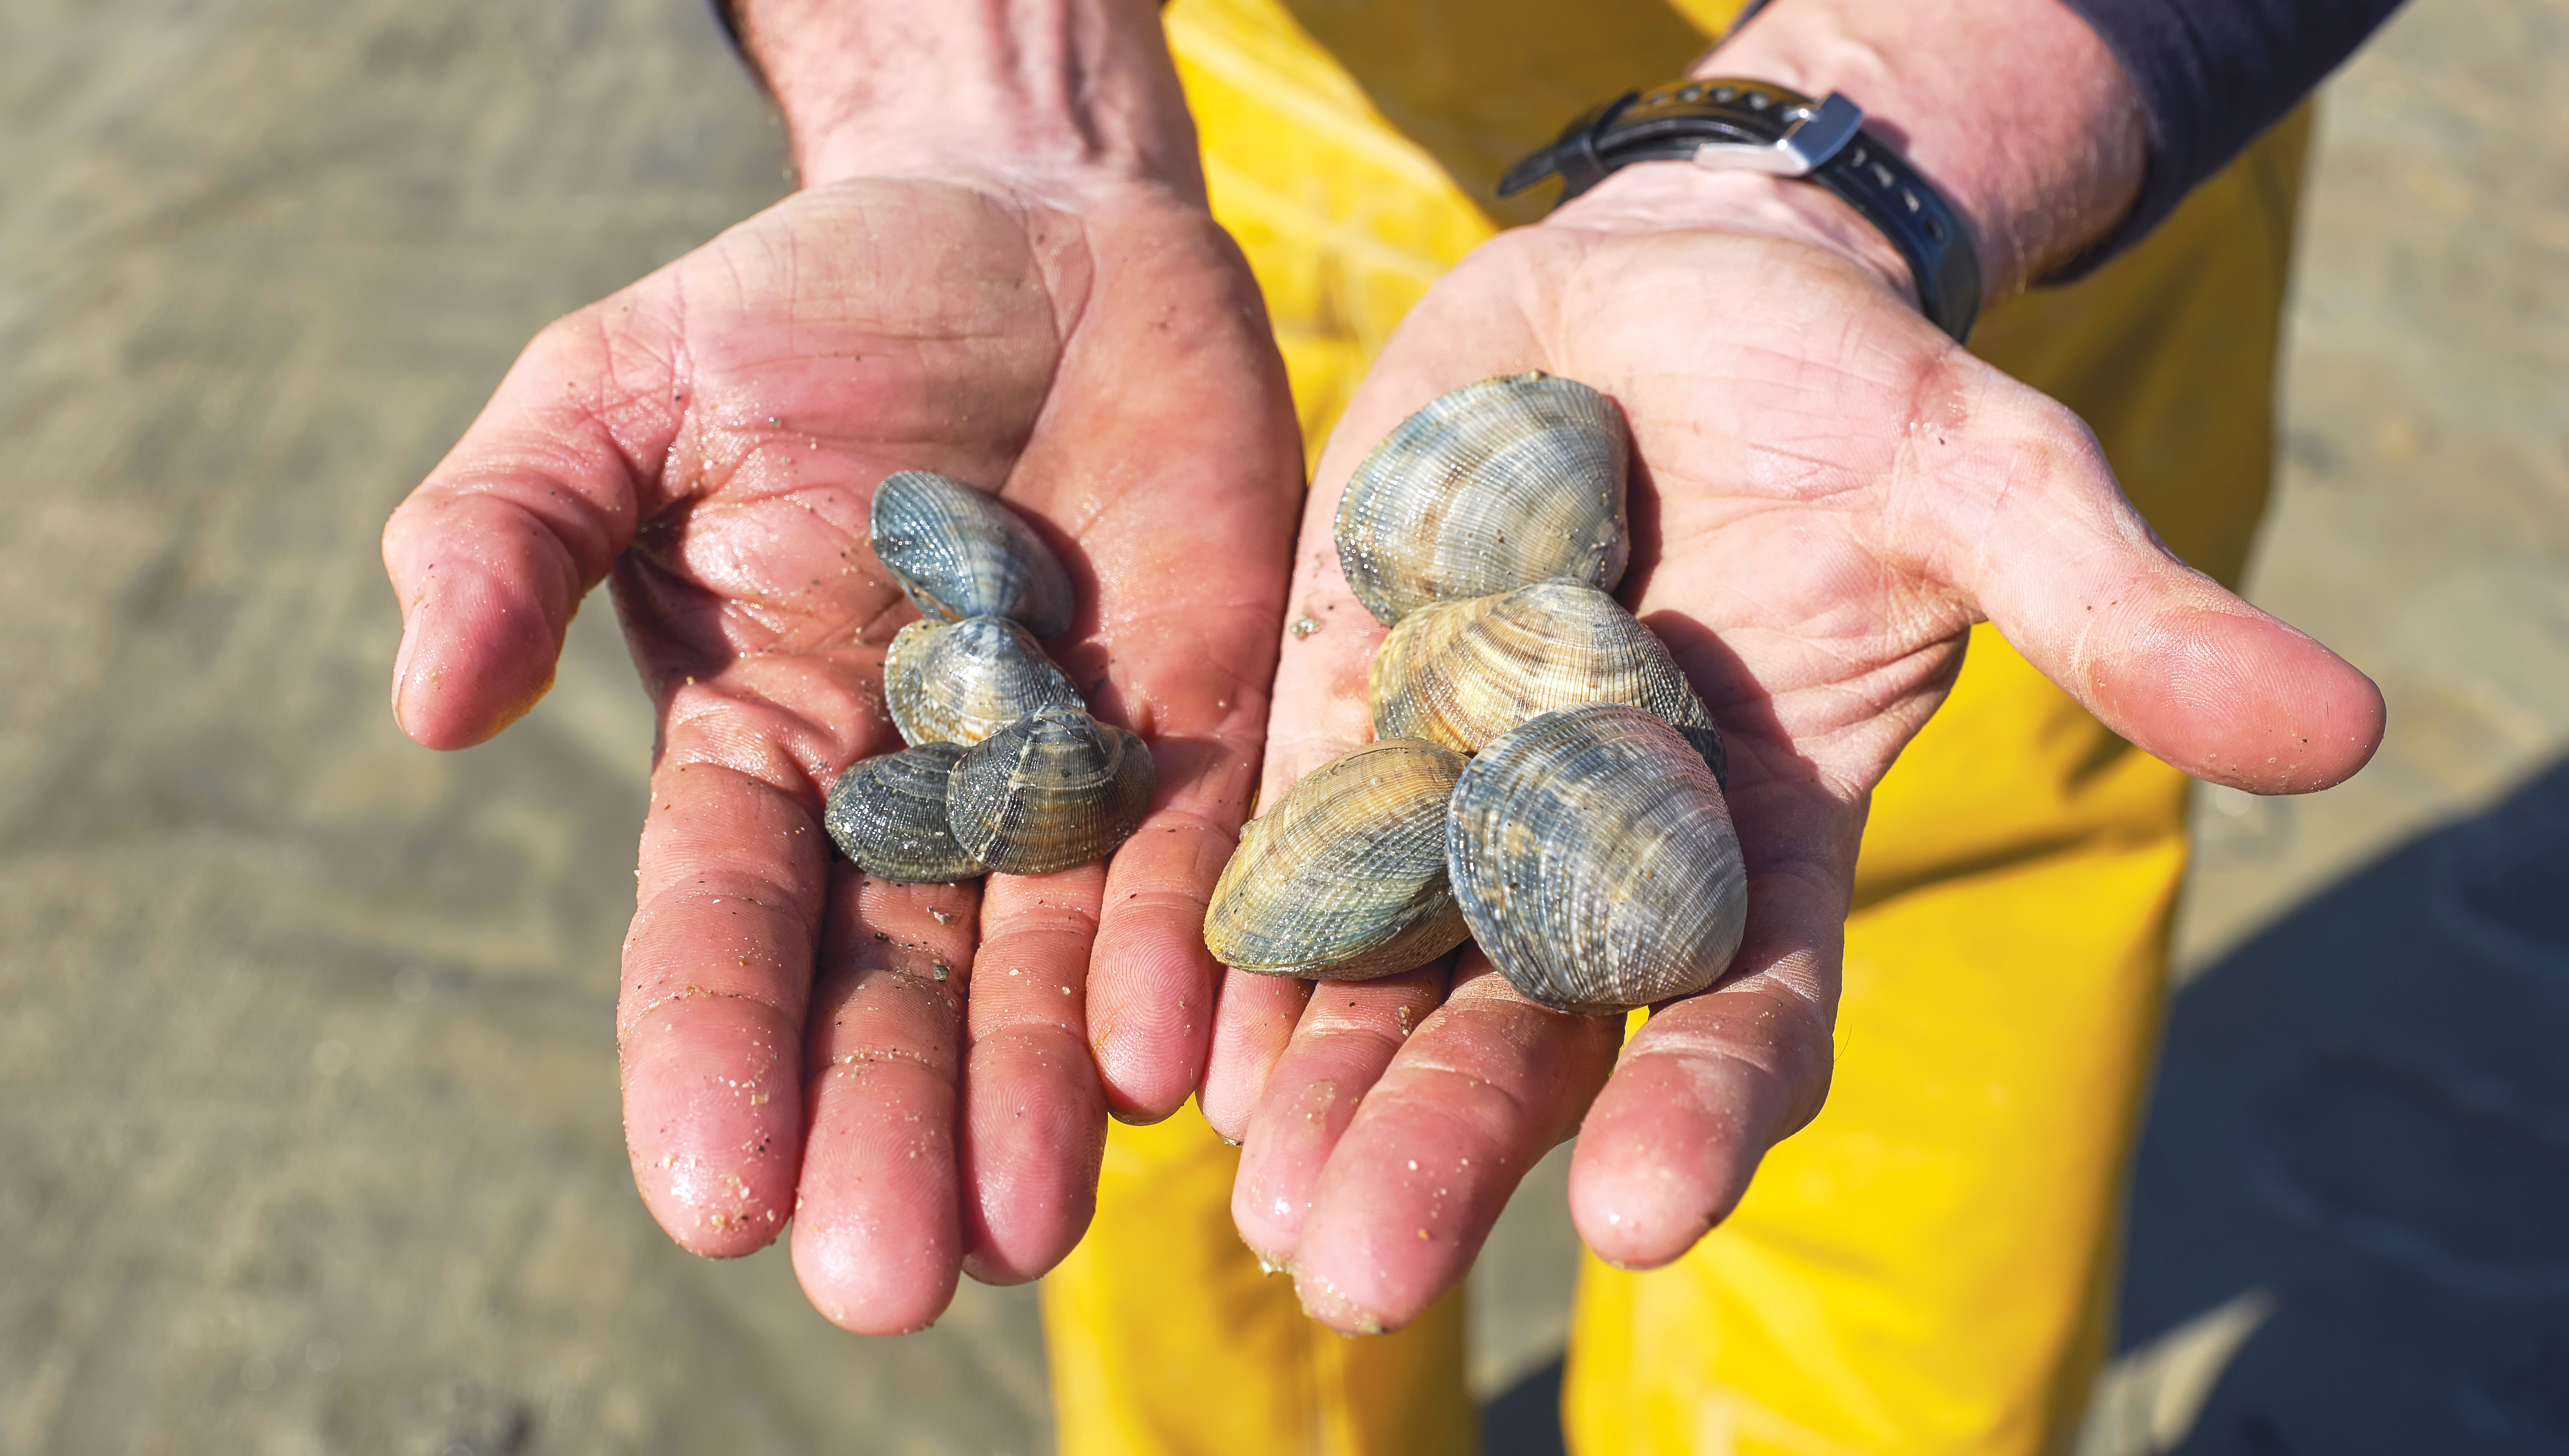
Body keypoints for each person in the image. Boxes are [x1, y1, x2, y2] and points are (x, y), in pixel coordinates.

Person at [381, 0, 2401, 1448]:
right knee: (1165, 1044)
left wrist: (1883, 138)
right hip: (1190, 218)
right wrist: (976, 83)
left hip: (1963, 199)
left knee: (1896, 970)